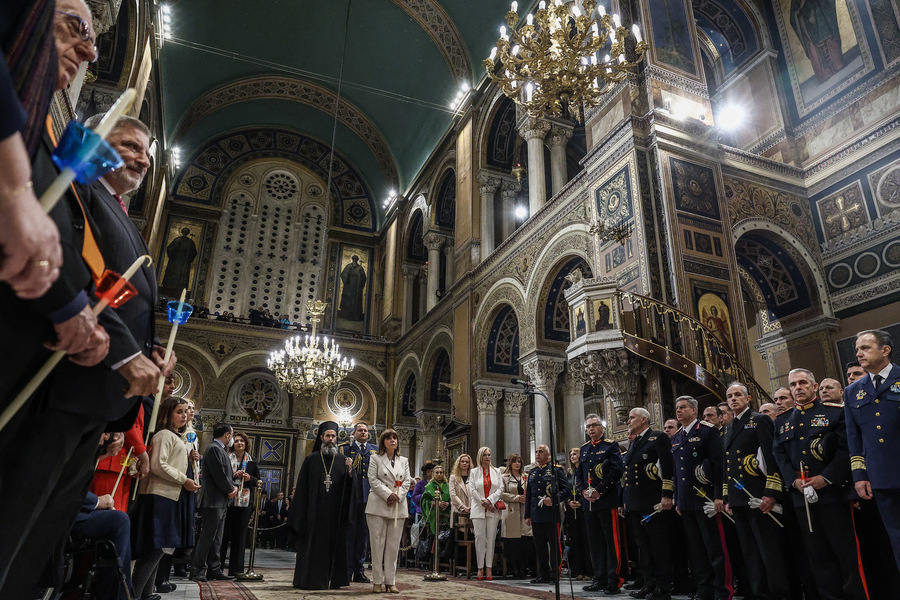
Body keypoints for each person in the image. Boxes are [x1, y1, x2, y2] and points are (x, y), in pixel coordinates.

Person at [772, 368, 866, 600]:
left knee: (846, 554)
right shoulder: (783, 421)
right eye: (793, 384)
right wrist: (792, 481)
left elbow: (847, 449)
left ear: (814, 387)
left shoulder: (834, 413)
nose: (798, 388)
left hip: (833, 494)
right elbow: (780, 454)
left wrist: (826, 478)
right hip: (801, 497)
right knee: (818, 556)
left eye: (803, 383)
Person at [722, 382, 791, 600]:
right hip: (739, 498)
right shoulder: (728, 427)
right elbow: (727, 465)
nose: (733, 399)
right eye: (730, 396)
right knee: (749, 551)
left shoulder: (759, 420)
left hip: (758, 495)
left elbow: (771, 458)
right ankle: (759, 594)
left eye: (738, 395)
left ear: (748, 398)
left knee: (768, 551)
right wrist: (727, 497)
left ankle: (778, 595)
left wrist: (771, 492)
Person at [130, 396, 201, 599]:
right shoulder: (163, 435)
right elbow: (158, 465)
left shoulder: (177, 436)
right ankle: (135, 593)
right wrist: (183, 479)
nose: (184, 415)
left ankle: (146, 592)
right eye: (179, 411)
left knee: (159, 548)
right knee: (156, 548)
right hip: (158, 495)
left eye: (186, 412)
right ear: (167, 413)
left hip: (170, 495)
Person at [844, 329, 900, 571]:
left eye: (865, 348)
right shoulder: (853, 391)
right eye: (857, 349)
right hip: (881, 477)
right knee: (897, 538)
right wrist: (860, 475)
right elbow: (854, 438)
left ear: (885, 350)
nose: (859, 353)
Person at [671, 396, 731, 600]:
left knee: (714, 547)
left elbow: (718, 464)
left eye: (683, 407)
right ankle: (704, 588)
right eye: (677, 408)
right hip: (687, 501)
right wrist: (678, 499)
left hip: (706, 499)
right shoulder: (678, 436)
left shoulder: (707, 431)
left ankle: (722, 590)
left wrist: (718, 496)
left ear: (694, 410)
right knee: (696, 550)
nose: (678, 411)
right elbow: (677, 472)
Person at [290, 421, 356, 589]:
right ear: (321, 438)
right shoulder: (311, 460)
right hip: (314, 513)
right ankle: (311, 580)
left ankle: (334, 580)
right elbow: (302, 489)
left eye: (333, 436)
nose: (330, 439)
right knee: (313, 547)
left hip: (335, 514)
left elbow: (349, 489)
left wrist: (350, 472)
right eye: (327, 436)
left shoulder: (342, 460)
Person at [621, 408, 675, 600]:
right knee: (643, 546)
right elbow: (628, 474)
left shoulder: (657, 437)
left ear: (644, 419)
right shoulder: (634, 442)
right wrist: (626, 501)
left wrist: (667, 495)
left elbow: (667, 468)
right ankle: (648, 584)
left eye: (632, 417)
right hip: (636, 503)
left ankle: (663, 588)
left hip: (653, 502)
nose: (628, 421)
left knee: (658, 545)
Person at [576, 414, 624, 594]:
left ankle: (614, 579)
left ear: (602, 428)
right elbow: (579, 474)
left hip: (606, 499)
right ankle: (599, 578)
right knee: (595, 542)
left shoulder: (610, 446)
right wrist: (582, 492)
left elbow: (616, 470)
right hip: (589, 503)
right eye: (588, 427)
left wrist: (599, 490)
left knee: (611, 542)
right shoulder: (585, 449)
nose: (591, 429)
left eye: (594, 425)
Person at [365, 428, 411, 594]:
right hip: (378, 504)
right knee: (377, 544)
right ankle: (377, 580)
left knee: (393, 545)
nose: (393, 440)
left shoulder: (403, 461)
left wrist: (398, 495)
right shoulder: (375, 458)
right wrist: (388, 494)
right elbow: (373, 479)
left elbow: (407, 481)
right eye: (389, 438)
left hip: (398, 505)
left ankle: (390, 581)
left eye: (395, 438)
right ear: (383, 442)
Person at [191, 422, 236, 582]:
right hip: (213, 500)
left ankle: (214, 569)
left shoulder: (220, 450)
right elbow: (219, 474)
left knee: (217, 538)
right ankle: (198, 570)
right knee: (208, 536)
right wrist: (230, 489)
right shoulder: (214, 449)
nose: (232, 438)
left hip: (220, 500)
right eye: (232, 434)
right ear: (227, 435)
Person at [525, 444, 571, 584]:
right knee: (540, 547)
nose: (538, 454)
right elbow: (529, 496)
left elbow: (566, 490)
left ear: (548, 455)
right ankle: (542, 574)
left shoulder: (555, 471)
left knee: (554, 545)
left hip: (551, 514)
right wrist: (527, 515)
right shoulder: (532, 473)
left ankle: (554, 574)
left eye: (541, 452)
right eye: (537, 452)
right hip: (536, 514)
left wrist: (554, 499)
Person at [342, 422, 377, 582]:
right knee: (350, 534)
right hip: (351, 496)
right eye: (360, 430)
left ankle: (359, 570)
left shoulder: (375, 450)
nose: (364, 432)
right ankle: (347, 570)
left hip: (368, 496)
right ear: (354, 433)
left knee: (363, 535)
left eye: (366, 430)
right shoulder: (346, 449)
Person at [221, 431, 259, 576]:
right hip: (228, 501)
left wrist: (249, 478)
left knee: (240, 536)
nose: (239, 443)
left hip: (244, 502)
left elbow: (258, 481)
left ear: (246, 443)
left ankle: (236, 569)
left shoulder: (251, 460)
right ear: (233, 443)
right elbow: (221, 476)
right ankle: (217, 568)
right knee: (224, 535)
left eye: (242, 441)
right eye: (236, 441)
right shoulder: (226, 457)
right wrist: (233, 475)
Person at [469, 446, 504, 581]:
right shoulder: (474, 472)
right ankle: (480, 568)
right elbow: (472, 489)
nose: (487, 457)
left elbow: (500, 488)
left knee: (491, 539)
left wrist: (490, 500)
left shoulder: (496, 472)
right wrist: (483, 501)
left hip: (493, 508)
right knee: (480, 538)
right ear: (480, 457)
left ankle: (489, 567)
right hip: (478, 508)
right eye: (485, 455)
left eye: (489, 455)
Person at [501, 453, 532, 579]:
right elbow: (502, 494)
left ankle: (523, 568)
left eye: (519, 461)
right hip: (511, 512)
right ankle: (514, 569)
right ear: (510, 463)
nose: (517, 464)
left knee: (525, 544)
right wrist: (516, 498)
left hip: (524, 512)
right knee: (512, 544)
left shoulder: (526, 477)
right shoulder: (504, 477)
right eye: (515, 462)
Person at [563, 448, 591, 581]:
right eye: (571, 455)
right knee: (575, 541)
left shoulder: (586, 471)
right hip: (571, 510)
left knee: (586, 540)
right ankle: (577, 571)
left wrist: (581, 501)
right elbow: (566, 490)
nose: (572, 456)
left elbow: (588, 487)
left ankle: (589, 571)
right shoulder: (569, 474)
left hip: (584, 508)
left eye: (575, 454)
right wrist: (569, 501)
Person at [420, 465, 450, 537]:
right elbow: (424, 500)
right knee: (435, 535)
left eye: (441, 472)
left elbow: (452, 498)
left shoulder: (448, 485)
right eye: (437, 473)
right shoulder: (429, 486)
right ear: (433, 474)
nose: (439, 474)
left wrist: (448, 503)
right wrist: (434, 503)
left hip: (446, 511)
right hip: (434, 512)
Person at [338, 254, 366, 321]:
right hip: (348, 288)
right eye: (354, 259)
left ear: (357, 260)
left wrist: (360, 283)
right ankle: (345, 314)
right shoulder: (348, 266)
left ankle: (355, 316)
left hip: (356, 289)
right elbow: (343, 274)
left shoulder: (360, 268)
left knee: (356, 302)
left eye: (356, 259)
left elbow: (364, 277)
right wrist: (347, 275)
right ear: (352, 259)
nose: (355, 260)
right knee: (347, 301)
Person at [448, 453, 472, 527]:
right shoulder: (453, 477)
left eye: (467, 462)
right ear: (459, 463)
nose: (464, 463)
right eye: (462, 461)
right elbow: (453, 495)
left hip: (470, 510)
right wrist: (463, 507)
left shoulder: (472, 478)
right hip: (458, 509)